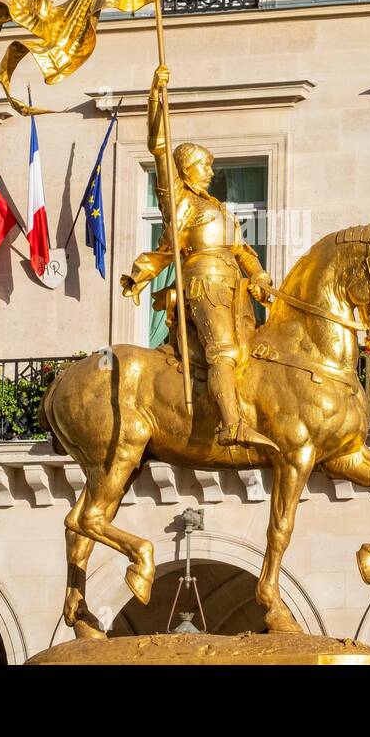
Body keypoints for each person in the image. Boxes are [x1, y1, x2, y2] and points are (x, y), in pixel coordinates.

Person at [121, 66, 276, 450]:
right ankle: (232, 425)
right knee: (223, 351)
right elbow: (159, 148)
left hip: (236, 288)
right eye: (203, 166)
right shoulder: (180, 200)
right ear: (186, 170)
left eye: (210, 165)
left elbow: (242, 250)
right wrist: (156, 98)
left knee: (253, 352)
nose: (210, 172)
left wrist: (259, 276)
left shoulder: (220, 209)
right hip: (204, 284)